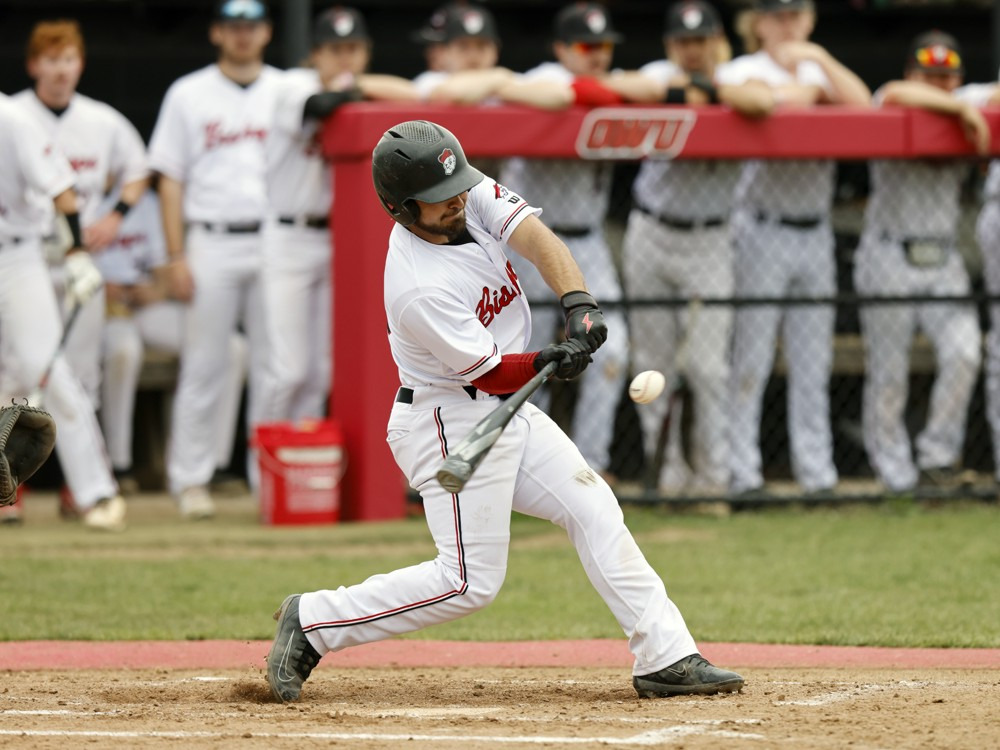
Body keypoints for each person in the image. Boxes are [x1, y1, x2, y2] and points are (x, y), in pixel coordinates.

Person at [264, 119, 745, 703]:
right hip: (449, 419)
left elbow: (540, 241)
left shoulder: (464, 191)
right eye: (439, 201)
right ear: (401, 208)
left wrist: (579, 304)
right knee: (466, 583)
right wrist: (548, 357)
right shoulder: (418, 284)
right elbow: (492, 372)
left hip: (501, 409)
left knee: (592, 506)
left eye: (458, 187)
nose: (457, 201)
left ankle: (665, 657)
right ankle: (312, 620)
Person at [714, 0, 871, 498]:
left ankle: (817, 474)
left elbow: (864, 107)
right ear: (757, 21)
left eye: (797, 14)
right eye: (777, 15)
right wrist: (808, 91)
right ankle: (743, 473)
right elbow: (762, 102)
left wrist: (818, 62)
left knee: (812, 361)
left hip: (815, 230)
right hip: (761, 227)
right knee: (752, 359)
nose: (788, 24)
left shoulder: (818, 64)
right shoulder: (744, 67)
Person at [622, 1, 774, 495]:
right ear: (670, 45)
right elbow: (628, 87)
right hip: (652, 232)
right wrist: (681, 89)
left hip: (711, 238)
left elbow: (762, 102)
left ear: (717, 41)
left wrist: (708, 88)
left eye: (701, 40)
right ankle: (666, 478)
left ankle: (713, 480)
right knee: (652, 365)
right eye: (684, 41)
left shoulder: (738, 77)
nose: (692, 49)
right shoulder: (658, 74)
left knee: (708, 368)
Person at [147, 0, 281, 519]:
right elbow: (170, 179)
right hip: (211, 238)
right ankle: (191, 479)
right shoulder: (188, 92)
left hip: (273, 237)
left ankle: (265, 478)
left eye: (250, 26)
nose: (242, 35)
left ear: (267, 31)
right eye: (233, 27)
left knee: (275, 368)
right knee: (206, 361)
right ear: (217, 33)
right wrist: (175, 254)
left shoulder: (286, 89)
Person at [260, 6, 416, 425]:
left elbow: (416, 97)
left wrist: (358, 83)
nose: (344, 58)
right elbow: (320, 103)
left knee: (322, 372)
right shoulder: (292, 84)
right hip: (288, 237)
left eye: (353, 48)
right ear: (315, 54)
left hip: (336, 240)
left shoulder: (360, 86)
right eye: (334, 49)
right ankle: (265, 468)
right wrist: (355, 87)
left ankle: (300, 467)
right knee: (287, 371)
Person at [497, 1, 631, 483]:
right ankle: (524, 467)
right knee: (527, 359)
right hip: (529, 240)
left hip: (589, 240)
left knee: (610, 353)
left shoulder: (614, 84)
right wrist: (588, 89)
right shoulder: (541, 79)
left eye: (604, 46)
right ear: (560, 48)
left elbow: (623, 94)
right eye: (585, 45)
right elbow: (556, 97)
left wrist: (602, 89)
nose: (597, 54)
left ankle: (589, 465)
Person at [855, 31, 990, 493]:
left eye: (947, 77)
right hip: (889, 250)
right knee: (888, 372)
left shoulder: (967, 97)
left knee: (965, 351)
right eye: (929, 76)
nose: (939, 85)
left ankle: (937, 456)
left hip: (943, 254)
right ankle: (894, 474)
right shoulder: (895, 97)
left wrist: (968, 102)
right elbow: (896, 92)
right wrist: (959, 109)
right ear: (913, 73)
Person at [0, 93, 125, 531]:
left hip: (15, 255)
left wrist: (75, 254)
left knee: (49, 373)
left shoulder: (11, 118)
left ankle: (97, 492)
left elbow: (61, 188)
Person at [12, 20, 149, 411]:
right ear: (34, 64)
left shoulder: (101, 120)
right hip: (25, 255)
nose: (60, 69)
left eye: (68, 59)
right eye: (51, 59)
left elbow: (139, 170)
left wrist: (115, 217)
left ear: (81, 64)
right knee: (18, 368)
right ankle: (19, 471)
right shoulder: (14, 114)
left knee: (81, 370)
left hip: (80, 257)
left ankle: (76, 471)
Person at [94, 187, 248, 491]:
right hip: (99, 313)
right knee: (124, 351)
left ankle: (215, 463)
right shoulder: (83, 199)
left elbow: (166, 271)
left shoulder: (147, 204)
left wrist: (155, 290)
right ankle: (117, 465)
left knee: (233, 349)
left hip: (144, 308)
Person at [410, 1, 514, 105]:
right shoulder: (431, 80)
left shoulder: (512, 78)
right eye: (463, 47)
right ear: (444, 52)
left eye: (481, 47)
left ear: (496, 51)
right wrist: (499, 78)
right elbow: (448, 95)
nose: (473, 55)